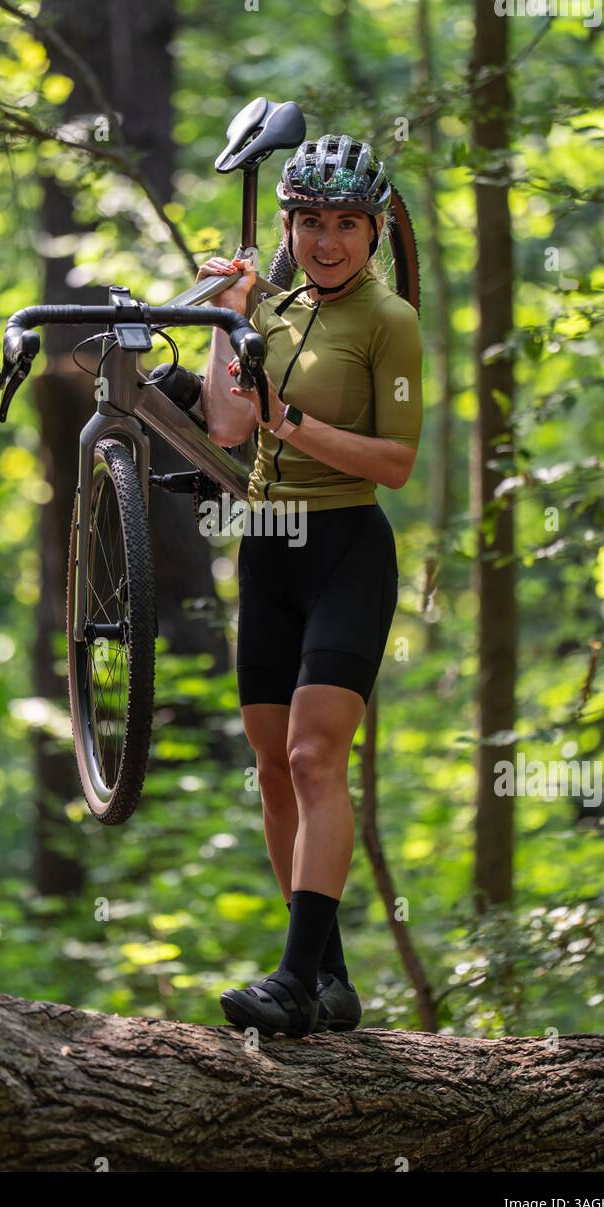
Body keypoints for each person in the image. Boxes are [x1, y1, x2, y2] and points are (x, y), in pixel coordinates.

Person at [198, 133, 423, 1038]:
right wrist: (228, 317)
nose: (326, 241)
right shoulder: (277, 305)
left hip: (346, 549)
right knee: (270, 771)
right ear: (286, 226)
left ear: (372, 231)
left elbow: (398, 463)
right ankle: (330, 982)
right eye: (309, 223)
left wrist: (292, 427)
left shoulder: (390, 320)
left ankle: (292, 983)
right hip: (268, 549)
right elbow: (223, 425)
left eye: (345, 225)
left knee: (311, 758)